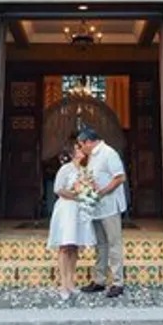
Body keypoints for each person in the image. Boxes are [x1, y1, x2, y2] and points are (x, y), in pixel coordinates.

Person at [76, 127, 127, 298]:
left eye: (81, 145)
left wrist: (103, 191)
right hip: (97, 207)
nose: (81, 148)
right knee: (101, 245)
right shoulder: (92, 157)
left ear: (88, 142)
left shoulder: (108, 153)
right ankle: (99, 280)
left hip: (110, 206)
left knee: (114, 243)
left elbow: (120, 177)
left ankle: (118, 282)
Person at [48, 142, 95, 301]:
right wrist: (76, 195)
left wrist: (87, 193)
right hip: (66, 209)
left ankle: (71, 281)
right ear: (73, 153)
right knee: (64, 246)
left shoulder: (83, 170)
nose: (82, 150)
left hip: (78, 211)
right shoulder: (65, 169)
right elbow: (58, 189)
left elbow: (88, 188)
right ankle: (63, 283)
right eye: (78, 148)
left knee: (74, 246)